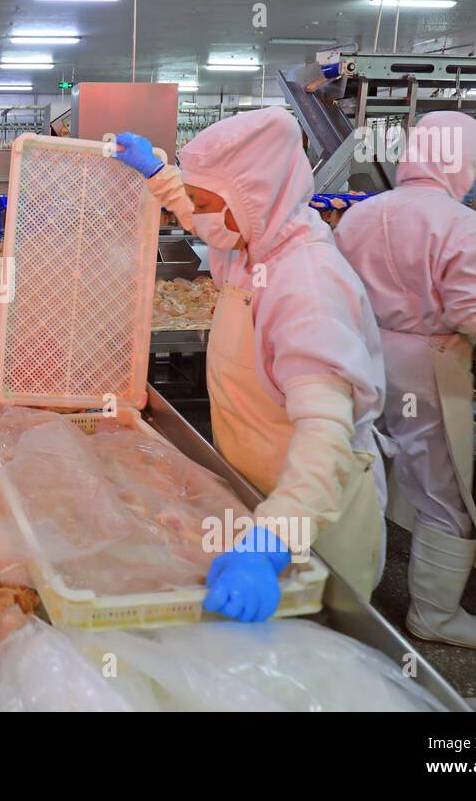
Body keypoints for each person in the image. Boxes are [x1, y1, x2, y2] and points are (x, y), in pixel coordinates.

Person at [115, 107, 387, 622]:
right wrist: (159, 177)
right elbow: (203, 214)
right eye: (196, 200)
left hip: (312, 514)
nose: (198, 215)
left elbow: (326, 435)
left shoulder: (307, 283)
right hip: (253, 488)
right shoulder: (251, 243)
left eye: (207, 201)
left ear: (252, 197)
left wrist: (271, 541)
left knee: (315, 662)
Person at [333, 111, 476, 649]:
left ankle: (347, 583)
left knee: (364, 465)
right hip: (426, 364)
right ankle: (435, 615)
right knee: (441, 484)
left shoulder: (362, 217)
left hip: (365, 351)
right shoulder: (463, 226)